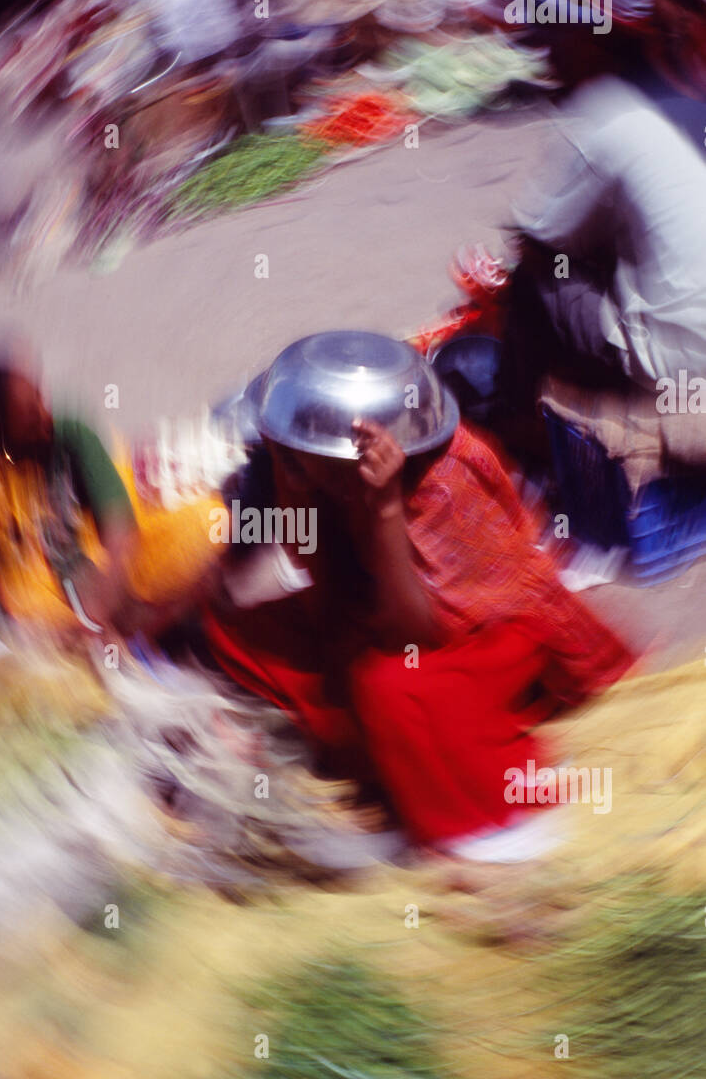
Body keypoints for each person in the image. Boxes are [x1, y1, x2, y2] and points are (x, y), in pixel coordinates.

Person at [205, 332, 633, 858]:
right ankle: (377, 761)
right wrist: (295, 486)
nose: (282, 458)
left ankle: (486, 820)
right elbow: (313, 564)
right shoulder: (306, 469)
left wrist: (383, 509)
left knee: (391, 687)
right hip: (379, 613)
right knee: (242, 629)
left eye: (291, 451)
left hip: (483, 636)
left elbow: (414, 634)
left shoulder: (447, 482)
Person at [500, 18, 706, 432]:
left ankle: (524, 424)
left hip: (680, 375)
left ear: (591, 47)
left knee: (534, 277)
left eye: (557, 45)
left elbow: (535, 241)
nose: (548, 61)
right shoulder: (687, 103)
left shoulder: (605, 108)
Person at [0, 355, 136, 637]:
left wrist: (98, 610)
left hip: (99, 589)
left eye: (40, 398)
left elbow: (120, 530)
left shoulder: (69, 434)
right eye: (29, 417)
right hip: (40, 615)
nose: (44, 414)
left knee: (193, 534)